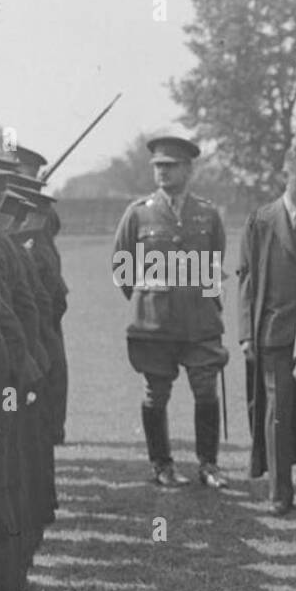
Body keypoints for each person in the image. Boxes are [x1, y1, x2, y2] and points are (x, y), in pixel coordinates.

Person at [112, 136, 230, 489]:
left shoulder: (207, 213)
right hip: (154, 326)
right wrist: (151, 294)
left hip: (199, 324)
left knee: (206, 391)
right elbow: (122, 267)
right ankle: (161, 465)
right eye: (158, 166)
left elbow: (215, 262)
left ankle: (208, 465)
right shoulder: (138, 213)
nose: (162, 172)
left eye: (171, 165)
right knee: (155, 395)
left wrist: (207, 301)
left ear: (188, 169)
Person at [238, 145, 296, 514]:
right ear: (285, 175)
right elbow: (245, 279)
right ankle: (280, 490)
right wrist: (246, 333)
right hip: (275, 335)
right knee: (278, 412)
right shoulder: (261, 221)